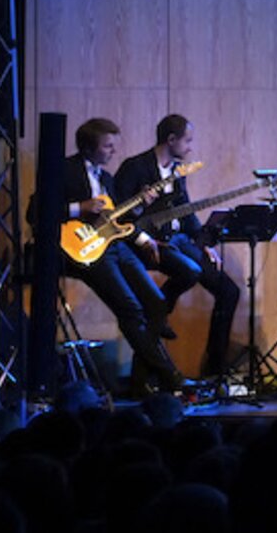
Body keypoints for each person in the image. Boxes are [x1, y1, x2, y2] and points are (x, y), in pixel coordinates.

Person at [29, 117, 190, 396]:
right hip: (85, 250)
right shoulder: (64, 170)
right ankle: (170, 377)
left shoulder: (106, 179)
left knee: (156, 303)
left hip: (114, 246)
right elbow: (35, 212)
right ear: (88, 148)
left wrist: (141, 228)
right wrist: (79, 208)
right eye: (108, 146)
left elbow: (118, 220)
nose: (113, 152)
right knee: (130, 307)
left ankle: (143, 381)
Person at [114, 115, 242, 384]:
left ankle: (215, 367)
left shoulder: (178, 170)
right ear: (171, 140)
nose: (190, 147)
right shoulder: (135, 167)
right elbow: (119, 215)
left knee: (228, 290)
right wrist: (140, 206)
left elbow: (186, 211)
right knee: (189, 272)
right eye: (187, 141)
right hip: (148, 241)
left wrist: (204, 244)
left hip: (179, 239)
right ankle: (158, 312)